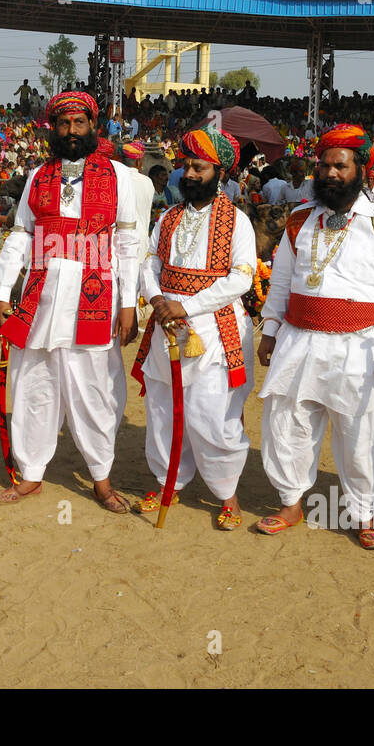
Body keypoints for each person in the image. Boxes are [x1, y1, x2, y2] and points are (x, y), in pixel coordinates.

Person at [254, 125, 374, 544]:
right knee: (287, 421)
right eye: (323, 165)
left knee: (357, 432)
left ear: (360, 169)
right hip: (299, 338)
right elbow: (282, 283)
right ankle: (291, 502)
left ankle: (364, 515)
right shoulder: (298, 221)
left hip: (358, 345)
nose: (330, 173)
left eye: (340, 166)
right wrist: (270, 331)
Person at [0, 91, 139, 513]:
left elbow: (128, 243)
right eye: (64, 124)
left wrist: (129, 303)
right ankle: (30, 474)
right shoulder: (38, 174)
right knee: (35, 384)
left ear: (93, 127)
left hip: (96, 295)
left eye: (79, 123)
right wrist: (3, 292)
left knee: (96, 390)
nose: (71, 131)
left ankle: (101, 479)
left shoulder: (118, 175)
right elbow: (20, 234)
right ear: (52, 128)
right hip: (41, 295)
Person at [133, 125, 258, 528]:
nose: (188, 174)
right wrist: (156, 299)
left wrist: (184, 306)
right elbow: (149, 263)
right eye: (186, 166)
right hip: (165, 323)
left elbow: (241, 278)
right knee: (162, 410)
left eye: (198, 167)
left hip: (213, 330)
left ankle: (227, 494)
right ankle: (168, 480)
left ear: (219, 172)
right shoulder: (168, 216)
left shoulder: (238, 221)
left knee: (211, 414)